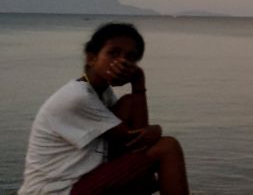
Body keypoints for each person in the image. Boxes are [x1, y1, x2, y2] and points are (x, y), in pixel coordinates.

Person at [19, 22, 189, 195]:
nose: (122, 61)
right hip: (56, 190)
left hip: (78, 181)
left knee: (130, 103)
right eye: (113, 53)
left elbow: (137, 143)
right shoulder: (78, 96)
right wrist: (156, 128)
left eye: (130, 57)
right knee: (168, 147)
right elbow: (138, 138)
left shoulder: (101, 92)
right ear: (91, 58)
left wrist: (138, 85)